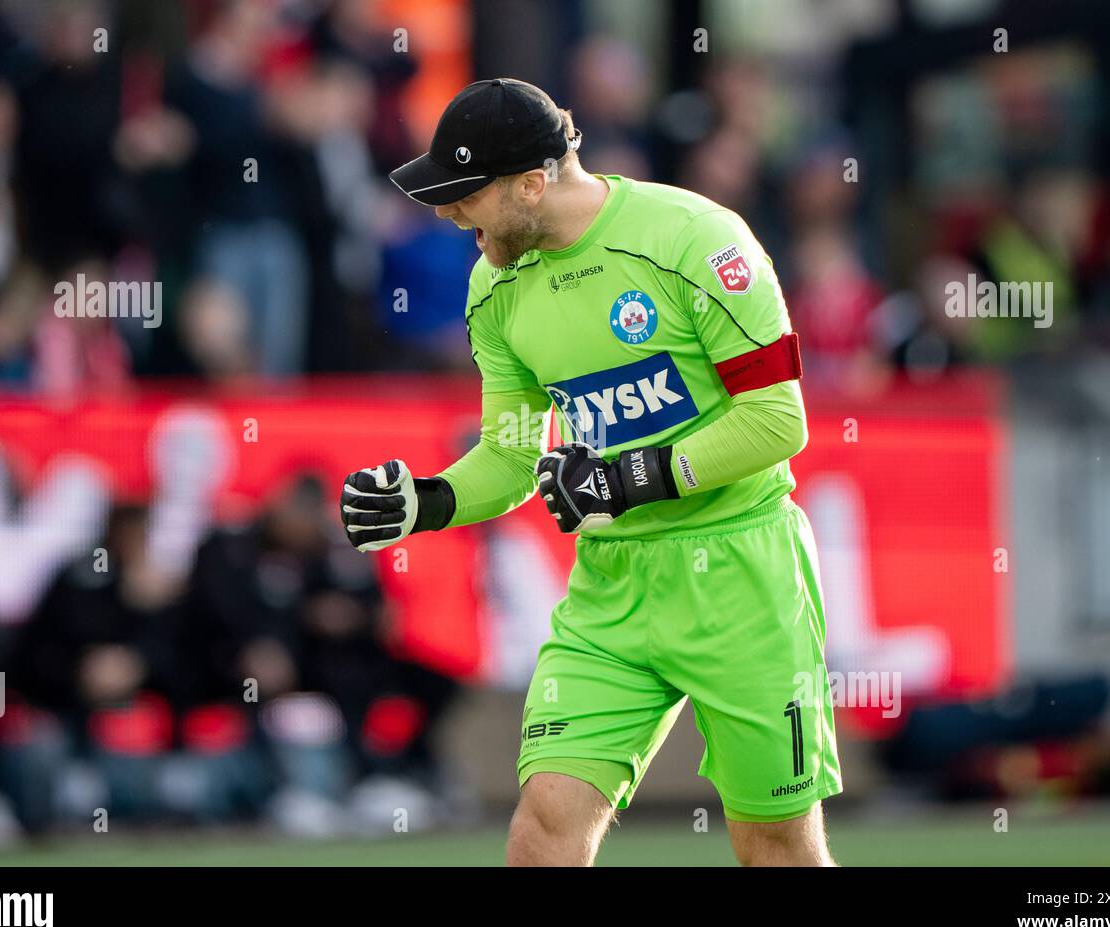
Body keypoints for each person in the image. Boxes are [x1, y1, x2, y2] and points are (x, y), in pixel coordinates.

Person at [338, 79, 841, 866]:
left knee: (775, 850)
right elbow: (510, 454)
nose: (447, 214)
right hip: (612, 591)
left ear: (533, 183)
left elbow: (778, 423)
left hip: (743, 575)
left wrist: (628, 479)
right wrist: (428, 502)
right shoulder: (493, 285)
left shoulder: (696, 238)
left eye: (465, 194)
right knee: (542, 833)